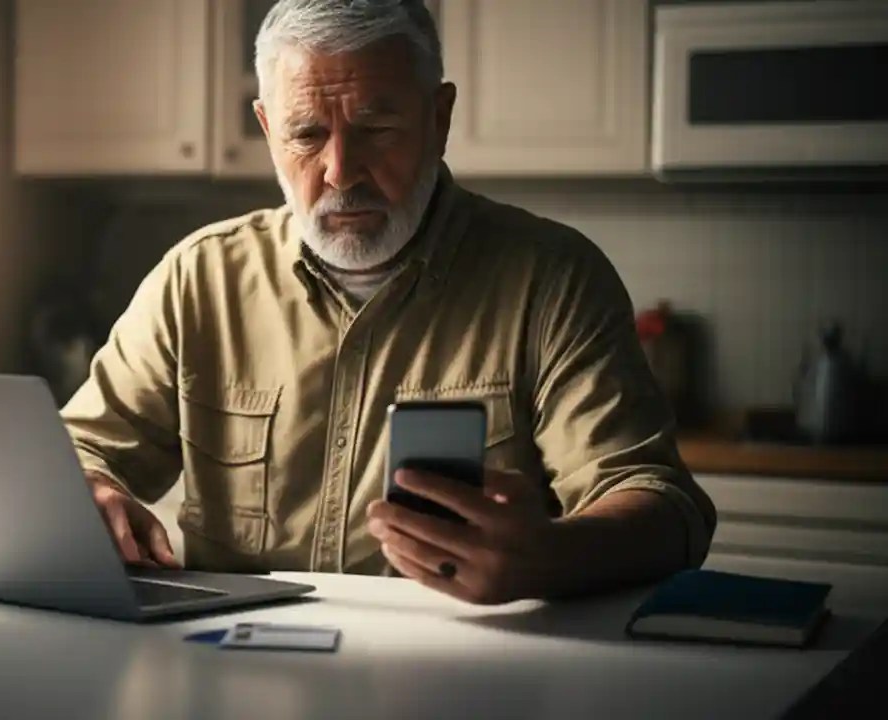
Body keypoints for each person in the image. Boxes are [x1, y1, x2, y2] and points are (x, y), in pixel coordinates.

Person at [60, 0, 716, 605]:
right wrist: (90, 493)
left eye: (377, 128)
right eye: (307, 134)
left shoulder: (552, 281)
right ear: (266, 127)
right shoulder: (197, 280)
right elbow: (75, 453)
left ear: (439, 118)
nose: (341, 171)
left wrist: (555, 554)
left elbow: (664, 505)